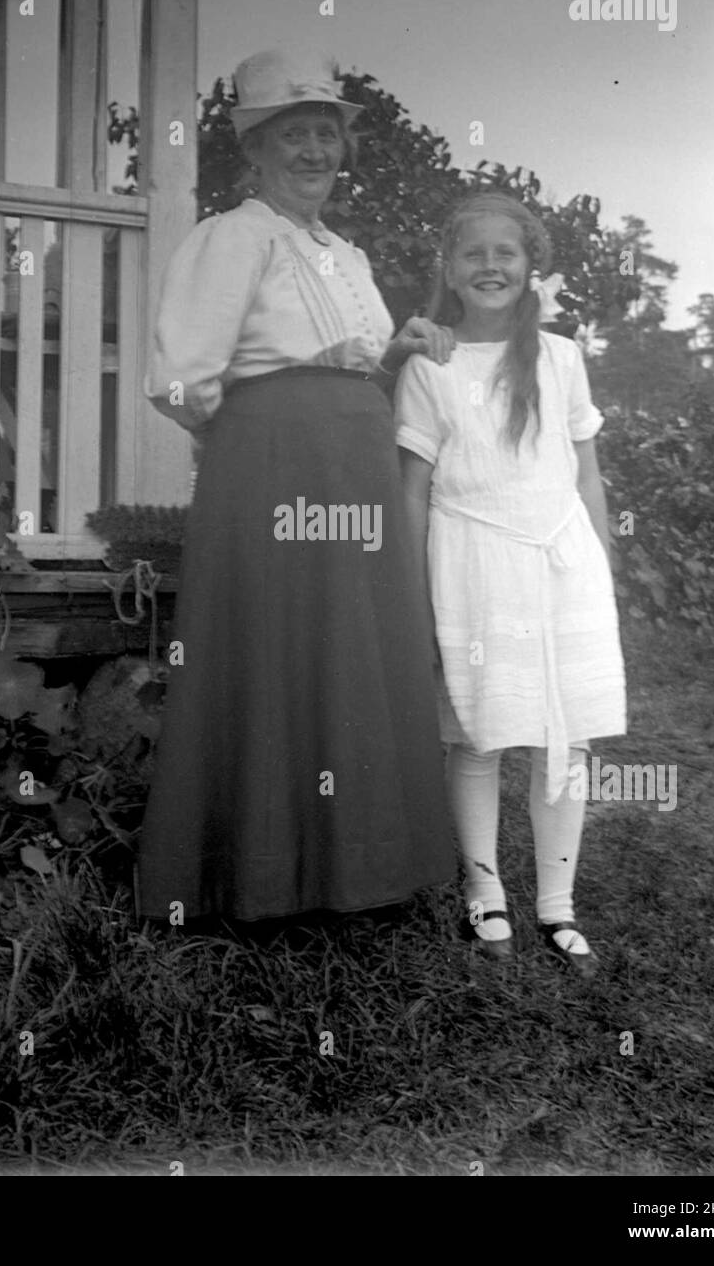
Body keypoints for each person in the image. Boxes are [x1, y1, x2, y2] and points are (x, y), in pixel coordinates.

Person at [138, 49, 457, 926]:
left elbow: (348, 362)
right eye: (295, 133)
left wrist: (393, 356)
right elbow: (180, 382)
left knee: (350, 641)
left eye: (327, 132)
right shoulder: (230, 237)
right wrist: (250, 441)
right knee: (277, 644)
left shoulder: (345, 255)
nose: (315, 149)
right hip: (272, 465)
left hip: (354, 459)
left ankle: (359, 871)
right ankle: (265, 875)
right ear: (258, 147)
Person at [394, 191, 626, 977]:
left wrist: (599, 567)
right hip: (473, 560)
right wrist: (414, 590)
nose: (491, 266)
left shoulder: (560, 357)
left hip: (561, 560)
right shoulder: (432, 364)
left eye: (507, 254)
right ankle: (484, 891)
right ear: (451, 272)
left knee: (567, 732)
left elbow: (586, 476)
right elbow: (416, 490)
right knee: (478, 732)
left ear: (531, 268)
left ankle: (557, 904)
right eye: (474, 255)